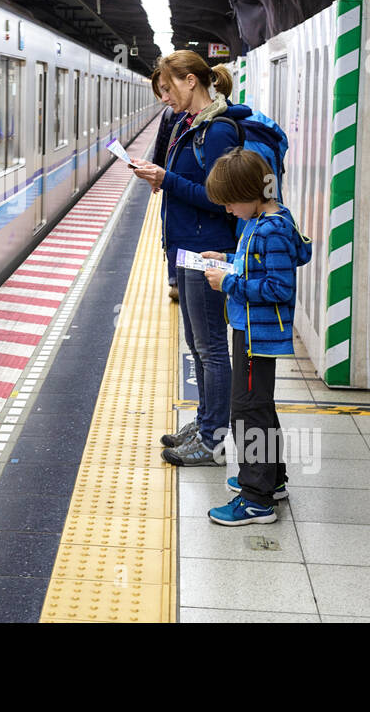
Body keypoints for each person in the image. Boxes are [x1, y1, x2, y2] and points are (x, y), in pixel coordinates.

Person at [131, 50, 251, 466]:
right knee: (197, 345)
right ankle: (204, 421)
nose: (165, 98)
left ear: (190, 81)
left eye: (167, 88)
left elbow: (223, 200)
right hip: (187, 247)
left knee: (211, 346)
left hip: (208, 250)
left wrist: (167, 179)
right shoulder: (191, 126)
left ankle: (214, 439)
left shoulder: (216, 132)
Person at [200, 148, 312, 524]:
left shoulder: (271, 230)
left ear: (251, 192)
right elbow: (259, 264)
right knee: (259, 407)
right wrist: (229, 258)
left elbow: (280, 287)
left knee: (247, 413)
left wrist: (229, 281)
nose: (228, 210)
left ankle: (255, 499)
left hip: (256, 336)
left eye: (230, 202)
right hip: (250, 332)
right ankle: (271, 480)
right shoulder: (268, 221)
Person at [148, 73, 183, 302]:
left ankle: (174, 280)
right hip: (174, 183)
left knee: (172, 230)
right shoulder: (176, 113)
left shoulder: (171, 115)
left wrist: (157, 174)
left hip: (175, 185)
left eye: (166, 91)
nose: (163, 99)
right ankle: (177, 281)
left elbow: (161, 146)